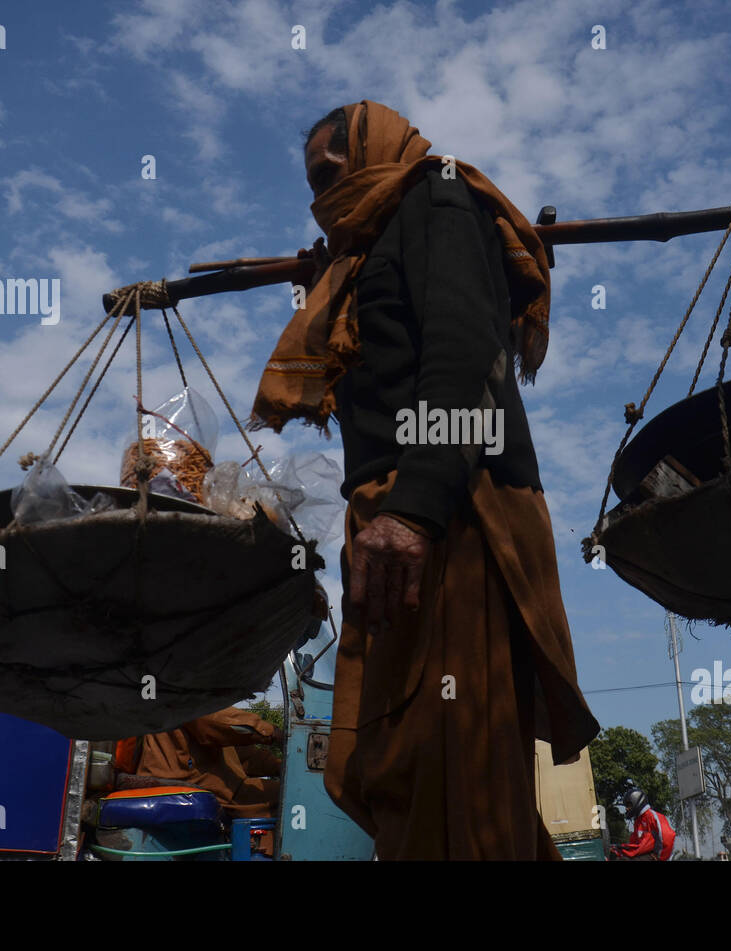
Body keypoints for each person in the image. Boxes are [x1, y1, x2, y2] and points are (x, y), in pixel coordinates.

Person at [249, 100, 599, 860]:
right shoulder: (367, 248)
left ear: (376, 148)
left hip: (450, 516)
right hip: (393, 523)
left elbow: (465, 353)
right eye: (310, 184)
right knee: (396, 764)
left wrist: (414, 510)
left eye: (330, 174)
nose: (321, 197)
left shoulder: (437, 197)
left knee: (453, 775)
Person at [132, 706, 283, 819]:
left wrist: (281, 766)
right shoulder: (185, 694)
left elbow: (245, 757)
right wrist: (272, 732)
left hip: (224, 787)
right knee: (292, 801)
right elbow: (216, 720)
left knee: (294, 792)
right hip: (188, 785)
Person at [609, 788, 675, 861]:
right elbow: (635, 845)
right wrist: (619, 847)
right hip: (642, 856)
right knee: (617, 857)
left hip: (653, 856)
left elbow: (669, 836)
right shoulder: (638, 821)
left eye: (629, 805)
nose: (627, 809)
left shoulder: (652, 816)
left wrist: (660, 858)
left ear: (637, 801)